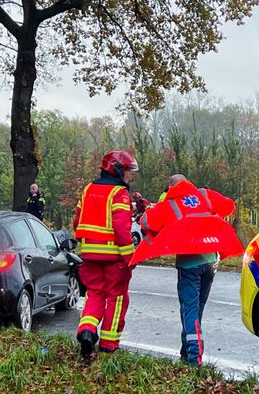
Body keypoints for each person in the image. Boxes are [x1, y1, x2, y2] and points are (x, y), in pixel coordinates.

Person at [132, 174, 242, 366]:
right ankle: (186, 351)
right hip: (210, 261)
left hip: (189, 264)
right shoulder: (204, 195)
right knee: (197, 310)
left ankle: (194, 357)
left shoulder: (171, 205)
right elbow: (229, 205)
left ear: (171, 188)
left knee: (189, 310)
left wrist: (158, 209)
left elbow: (146, 223)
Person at [72, 150, 138, 363]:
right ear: (117, 169)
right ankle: (109, 345)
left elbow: (76, 221)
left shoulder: (88, 189)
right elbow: (121, 229)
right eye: (127, 170)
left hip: (89, 255)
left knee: (94, 294)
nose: (129, 175)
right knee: (117, 299)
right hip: (114, 258)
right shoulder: (119, 193)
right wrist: (130, 258)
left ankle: (87, 331)